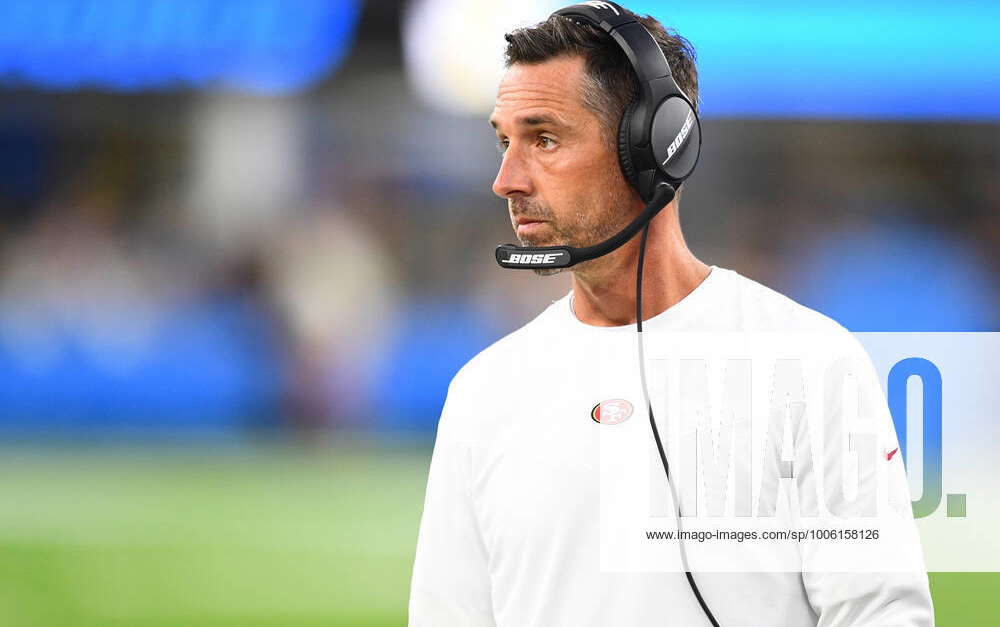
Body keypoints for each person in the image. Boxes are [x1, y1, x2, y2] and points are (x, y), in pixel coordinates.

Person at [409, 4, 934, 625]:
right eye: (504, 141)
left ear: (654, 146)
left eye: (543, 138)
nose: (506, 179)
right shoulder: (482, 391)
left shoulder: (812, 363)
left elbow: (880, 614)